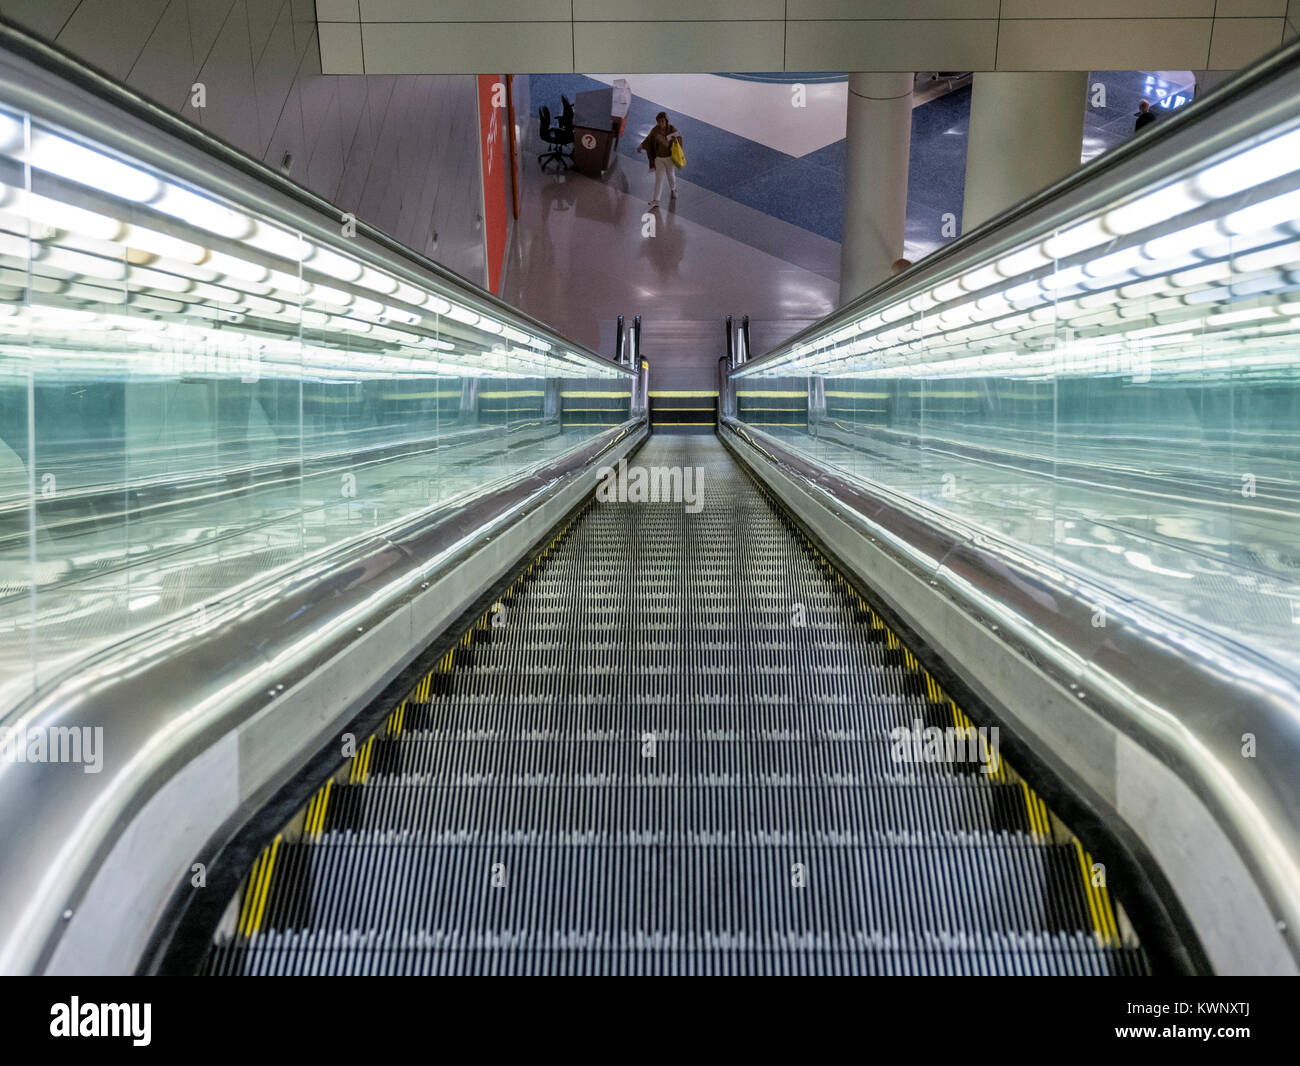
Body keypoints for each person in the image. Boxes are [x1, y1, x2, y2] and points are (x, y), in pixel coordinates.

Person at [637, 111, 682, 208]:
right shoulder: (655, 130)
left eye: (662, 121)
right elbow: (648, 139)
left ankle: (673, 189)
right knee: (659, 179)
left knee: (671, 175)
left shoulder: (672, 129)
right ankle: (656, 200)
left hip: (669, 158)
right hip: (658, 159)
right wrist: (641, 145)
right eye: (659, 122)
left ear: (666, 121)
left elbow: (679, 139)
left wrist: (674, 140)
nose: (661, 124)